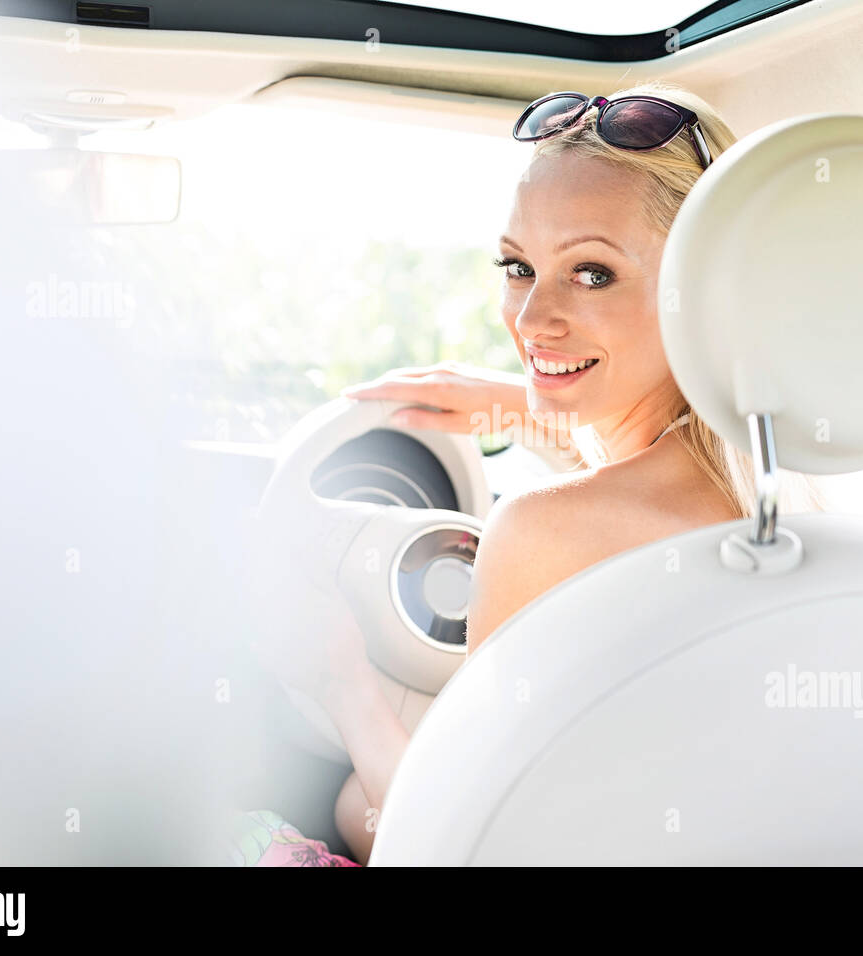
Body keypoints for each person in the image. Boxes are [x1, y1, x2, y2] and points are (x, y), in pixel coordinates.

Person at [257, 81, 823, 865]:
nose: (529, 320)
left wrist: (339, 681)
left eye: (592, 273)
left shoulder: (542, 534)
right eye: (517, 265)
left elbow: (456, 848)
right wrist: (524, 409)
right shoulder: (795, 493)